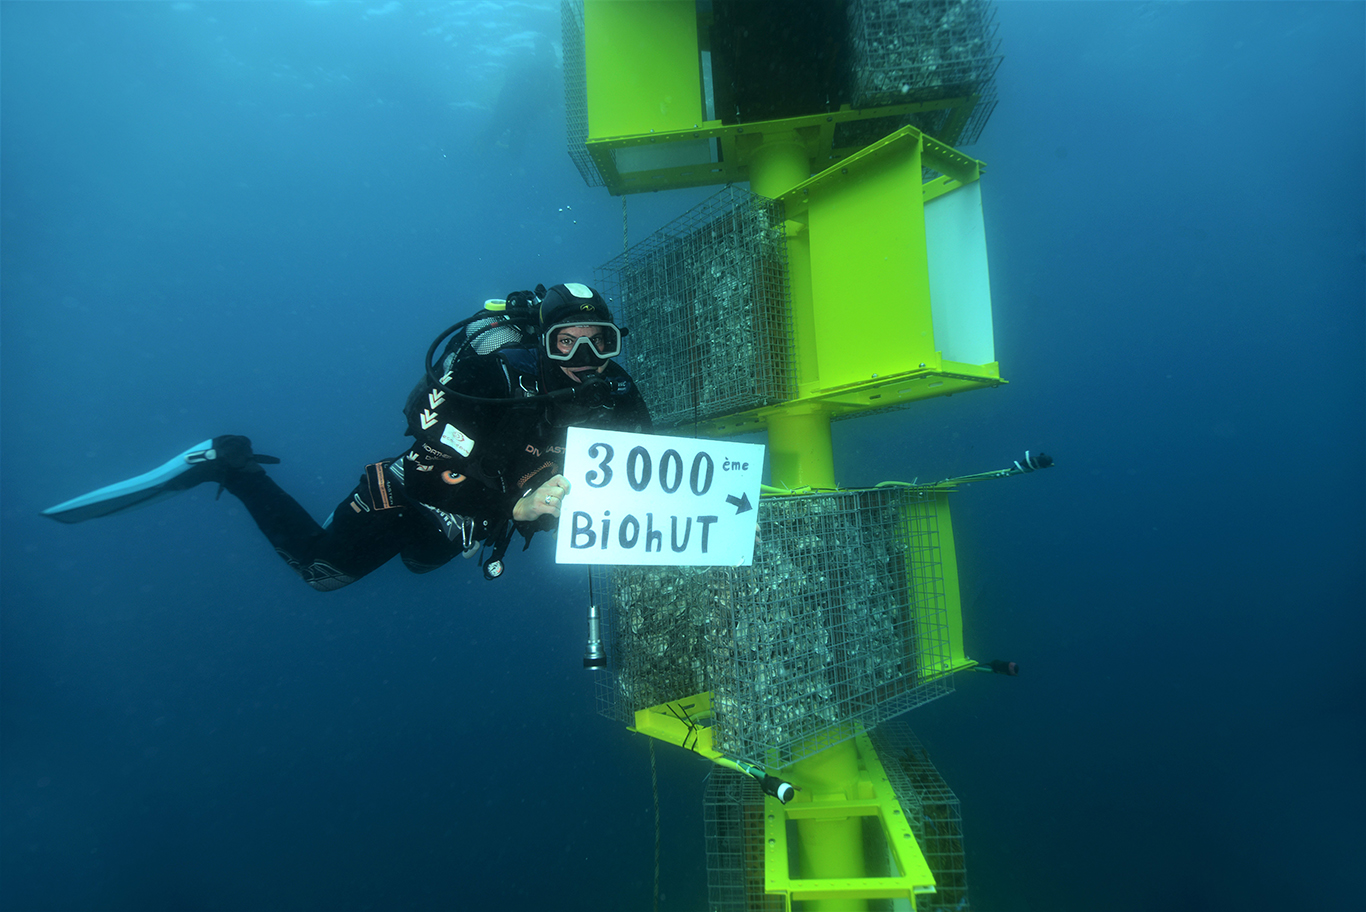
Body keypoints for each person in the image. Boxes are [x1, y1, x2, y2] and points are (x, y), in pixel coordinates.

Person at [43, 283, 652, 591]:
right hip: (411, 493)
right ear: (539, 340)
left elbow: (644, 468)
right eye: (566, 341)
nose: (587, 357)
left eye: (601, 339)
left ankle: (465, 525)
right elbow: (425, 467)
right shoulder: (488, 376)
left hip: (475, 522)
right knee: (321, 573)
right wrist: (513, 505)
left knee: (422, 564)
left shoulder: (613, 391)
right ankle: (228, 466)